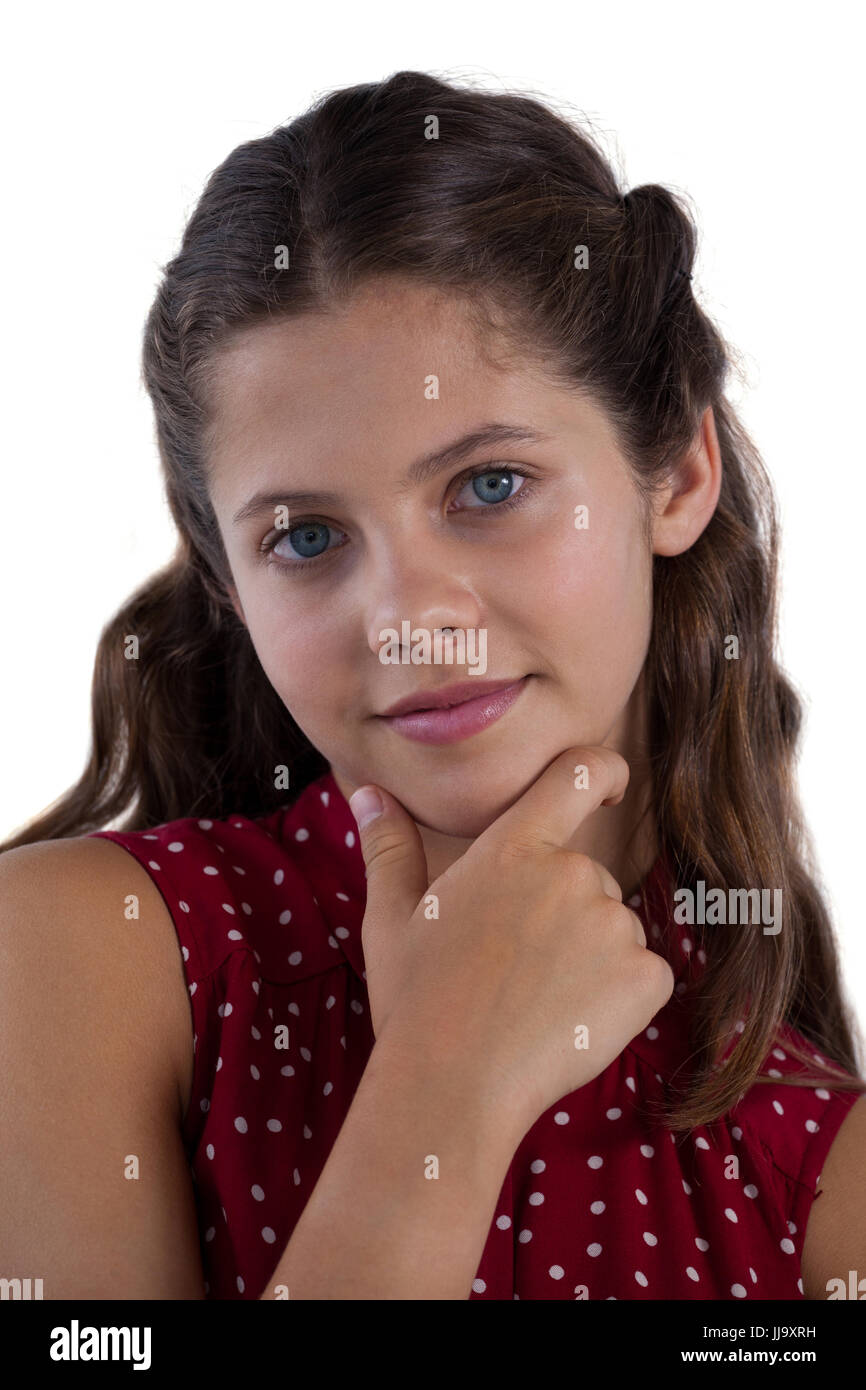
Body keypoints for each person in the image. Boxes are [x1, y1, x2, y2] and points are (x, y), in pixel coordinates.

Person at [2, 70, 864, 1302]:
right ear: (229, 584)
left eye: (490, 487)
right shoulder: (73, 964)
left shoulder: (821, 1183)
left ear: (673, 470)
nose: (409, 623)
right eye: (305, 537)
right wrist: (441, 1091)